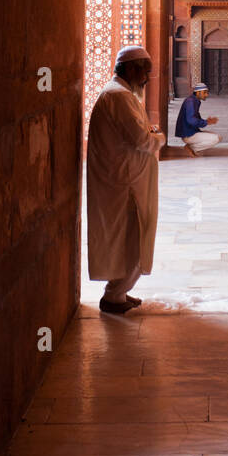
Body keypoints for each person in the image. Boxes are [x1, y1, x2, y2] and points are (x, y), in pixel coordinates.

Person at [86, 45, 165, 315]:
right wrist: (160, 138)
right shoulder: (119, 96)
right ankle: (114, 296)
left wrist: (149, 133)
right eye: (145, 73)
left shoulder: (118, 93)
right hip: (125, 183)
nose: (146, 79)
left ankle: (118, 293)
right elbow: (142, 140)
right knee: (134, 237)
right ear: (132, 69)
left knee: (129, 238)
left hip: (125, 179)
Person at [175, 81, 221, 156]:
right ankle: (192, 147)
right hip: (188, 134)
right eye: (204, 92)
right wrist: (206, 122)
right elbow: (191, 120)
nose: (206, 95)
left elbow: (196, 120)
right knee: (216, 138)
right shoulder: (190, 102)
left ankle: (192, 147)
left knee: (218, 137)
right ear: (198, 93)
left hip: (192, 132)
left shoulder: (195, 101)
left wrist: (207, 121)